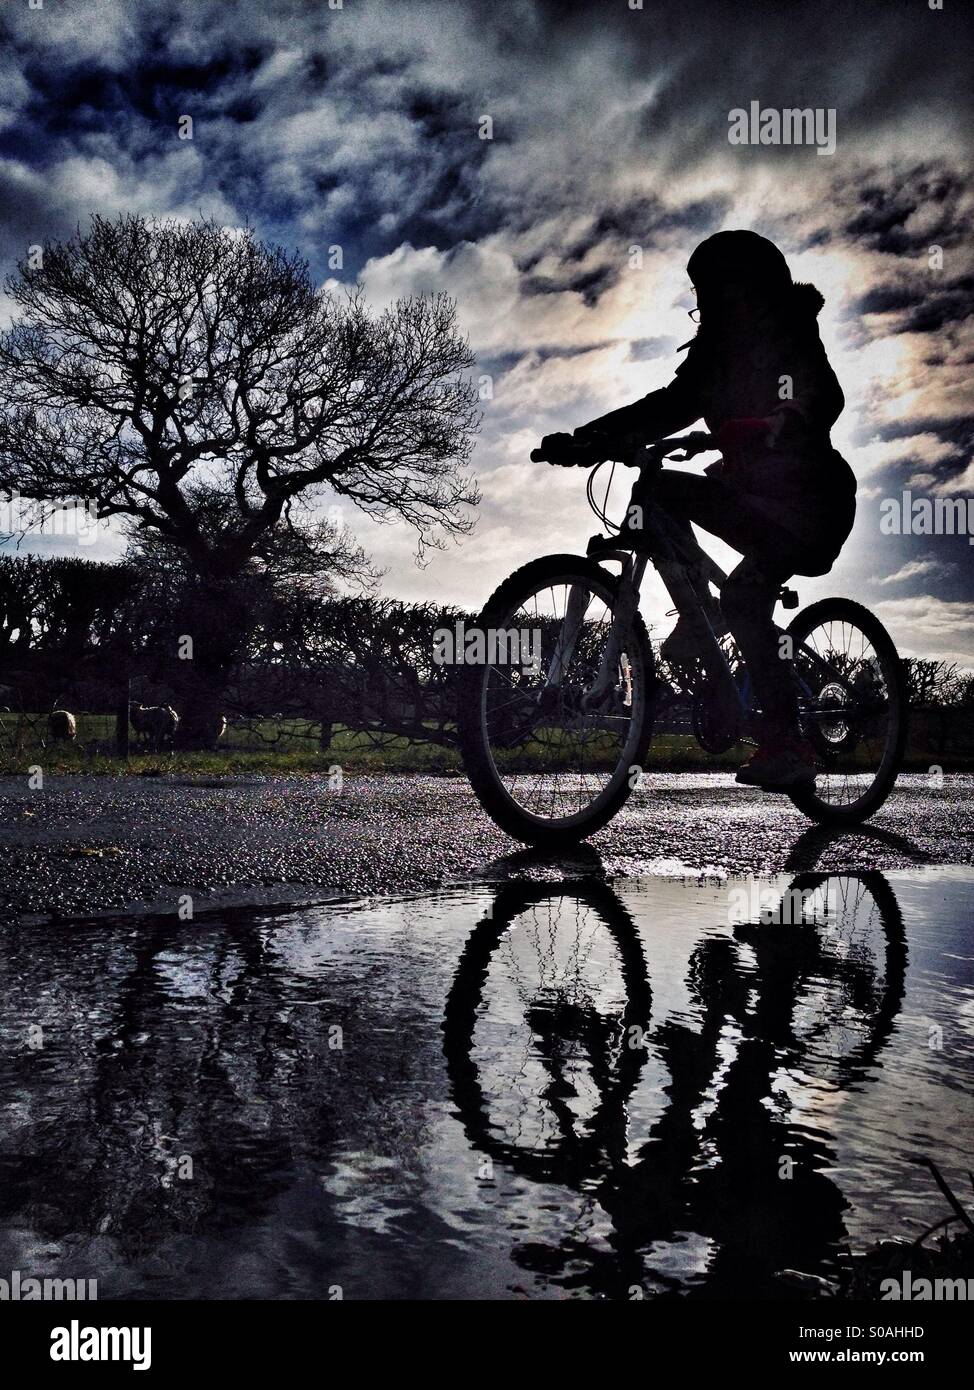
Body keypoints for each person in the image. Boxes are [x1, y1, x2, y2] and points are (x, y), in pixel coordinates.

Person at [539, 229, 856, 790]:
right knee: (662, 490)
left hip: (809, 506)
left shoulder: (790, 332)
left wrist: (783, 420)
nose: (705, 303)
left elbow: (821, 393)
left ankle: (786, 742)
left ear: (749, 288)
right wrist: (585, 439)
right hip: (754, 499)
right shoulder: (712, 356)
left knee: (744, 596)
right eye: (699, 292)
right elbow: (668, 406)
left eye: (714, 289)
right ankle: (699, 611)